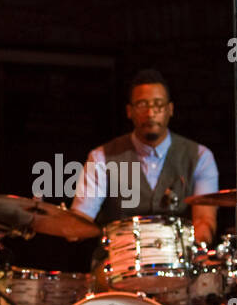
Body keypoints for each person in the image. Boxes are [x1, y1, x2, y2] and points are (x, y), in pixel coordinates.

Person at [71, 68, 219, 245]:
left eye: (158, 105)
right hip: (118, 265)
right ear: (129, 111)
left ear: (170, 109)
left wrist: (198, 247)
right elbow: (79, 221)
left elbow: (204, 220)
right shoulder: (101, 157)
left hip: (178, 264)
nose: (150, 113)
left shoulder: (200, 156)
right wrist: (49, 221)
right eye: (142, 105)